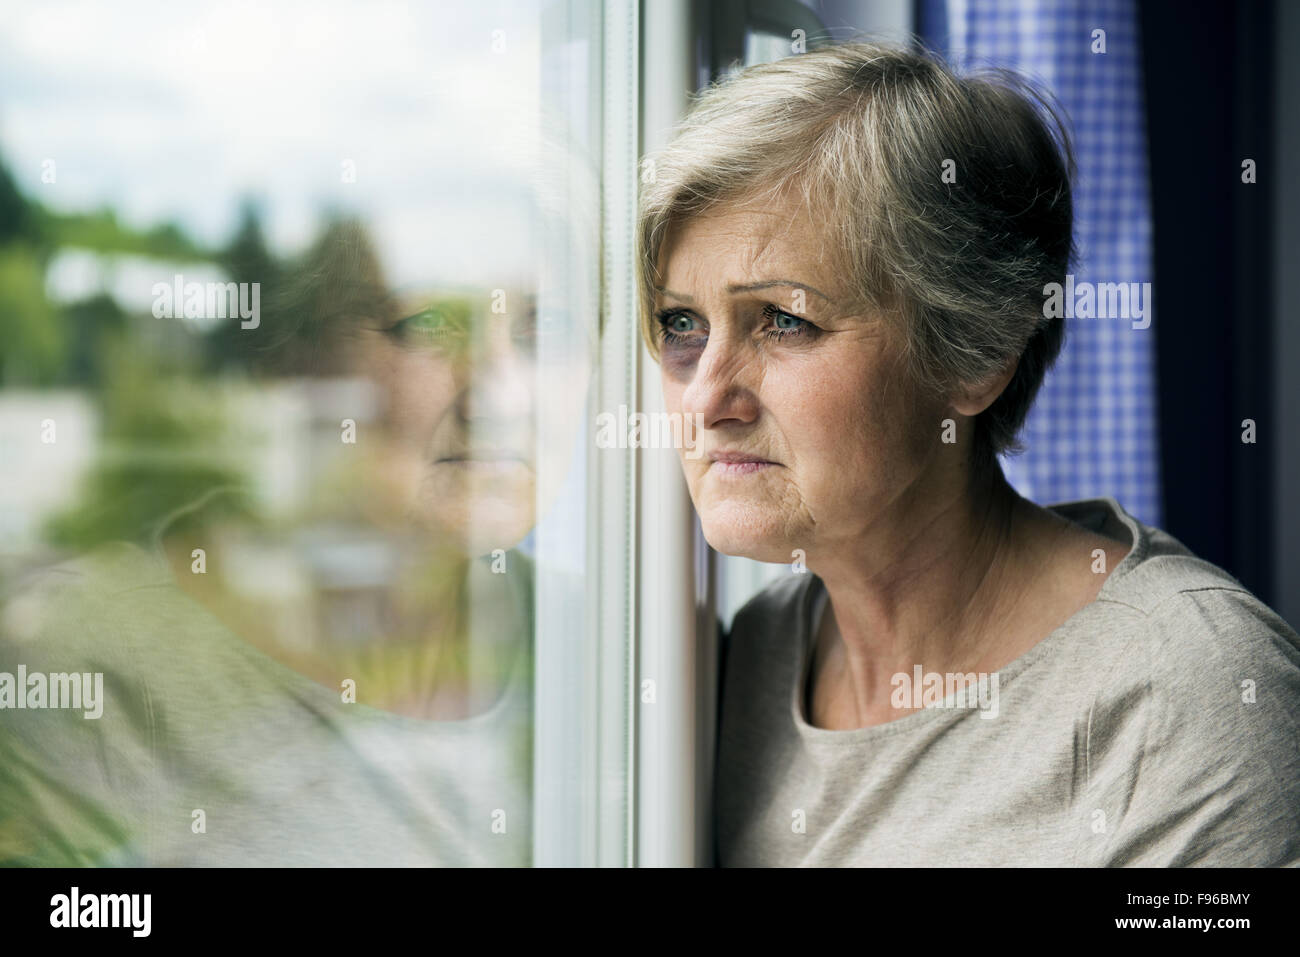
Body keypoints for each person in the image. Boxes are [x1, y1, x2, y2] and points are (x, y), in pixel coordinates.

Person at [636, 40, 1300, 866]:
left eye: (784, 319)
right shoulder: (742, 657)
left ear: (976, 353)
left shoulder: (1188, 692)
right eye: (680, 325)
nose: (704, 398)